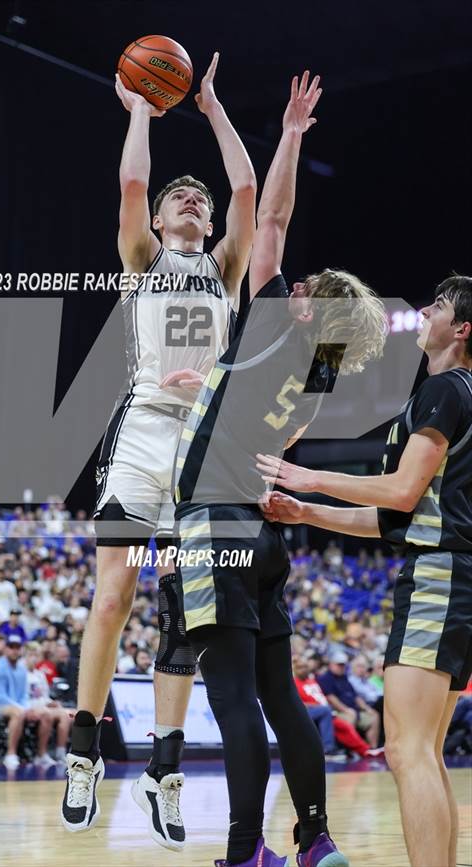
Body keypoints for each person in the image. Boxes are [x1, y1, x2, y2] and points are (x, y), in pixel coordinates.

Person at [173, 72, 387, 867]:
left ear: (307, 309)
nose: (294, 282)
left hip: (214, 523)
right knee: (281, 700)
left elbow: (271, 212)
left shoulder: (271, 317)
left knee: (233, 703)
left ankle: (242, 852)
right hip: (263, 534)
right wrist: (217, 392)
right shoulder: (318, 374)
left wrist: (292, 133)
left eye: (305, 288)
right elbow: (283, 434)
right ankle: (315, 838)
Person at [62, 52, 257, 850]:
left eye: (197, 199)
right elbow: (132, 188)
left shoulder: (224, 265)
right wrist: (141, 106)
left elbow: (245, 189)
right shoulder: (146, 260)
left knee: (186, 614)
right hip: (144, 433)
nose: (189, 198)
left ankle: (165, 765)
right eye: (181, 194)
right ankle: (84, 748)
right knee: (114, 596)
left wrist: (210, 108)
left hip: (201, 447)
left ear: (208, 224)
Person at [258, 273, 472, 867]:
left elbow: (401, 493)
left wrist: (309, 477)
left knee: (405, 750)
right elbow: (390, 521)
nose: (425, 310)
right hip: (449, 574)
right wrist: (307, 511)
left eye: (440, 306)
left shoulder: (447, 390)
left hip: (440, 576)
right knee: (424, 750)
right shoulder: (458, 393)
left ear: (462, 329)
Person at [0, 635, 56, 770]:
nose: (14, 651)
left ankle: (41, 754)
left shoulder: (21, 669)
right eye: (11, 647)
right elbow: (0, 697)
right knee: (18, 713)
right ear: (5, 649)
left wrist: (28, 709)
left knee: (46, 713)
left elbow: (23, 696)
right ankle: (10, 754)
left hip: (15, 706)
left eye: (17, 647)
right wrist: (24, 710)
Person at [293, 655, 383, 760]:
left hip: (327, 711)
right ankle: (329, 748)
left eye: (305, 666)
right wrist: (321, 707)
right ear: (293, 669)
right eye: (299, 667)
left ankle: (366, 750)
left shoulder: (312, 681)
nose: (303, 669)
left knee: (344, 726)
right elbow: (296, 703)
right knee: (337, 716)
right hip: (310, 712)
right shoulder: (293, 683)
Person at [317, 651, 380, 747]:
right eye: (339, 664)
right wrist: (346, 710)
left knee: (374, 716)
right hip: (337, 711)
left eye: (343, 665)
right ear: (331, 664)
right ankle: (352, 749)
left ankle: (372, 748)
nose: (341, 667)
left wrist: (367, 709)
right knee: (351, 716)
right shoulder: (325, 678)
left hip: (354, 709)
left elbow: (355, 697)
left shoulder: (344, 677)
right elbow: (331, 699)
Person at [24, 641, 72, 765]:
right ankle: (41, 754)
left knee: (67, 714)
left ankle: (60, 753)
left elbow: (44, 696)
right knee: (49, 714)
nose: (33, 658)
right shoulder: (20, 673)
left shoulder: (40, 675)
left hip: (42, 706)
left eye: (36, 655)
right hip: (29, 706)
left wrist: (52, 703)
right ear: (25, 656)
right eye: (30, 655)